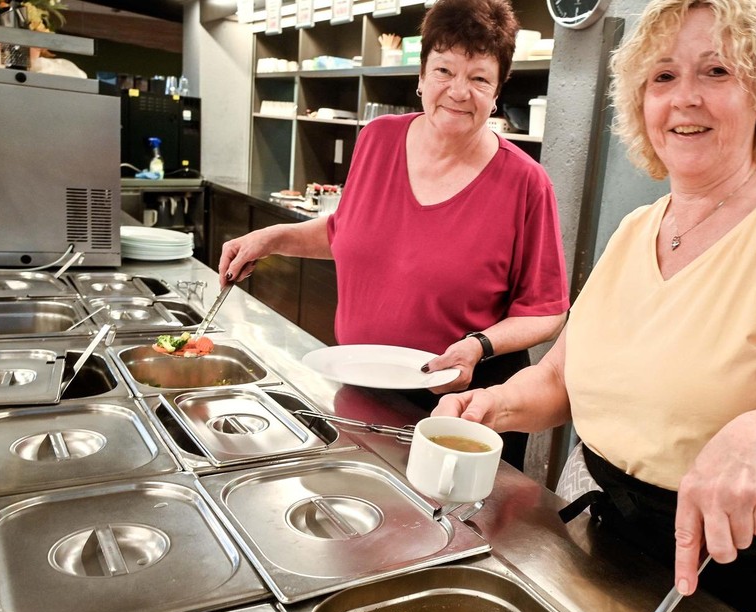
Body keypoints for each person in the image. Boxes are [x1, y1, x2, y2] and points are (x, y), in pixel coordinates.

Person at [433, 0, 756, 612]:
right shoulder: (638, 228)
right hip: (608, 548)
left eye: (716, 71)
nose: (685, 97)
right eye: (662, 76)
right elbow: (559, 378)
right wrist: (489, 406)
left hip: (735, 577)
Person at [218, 0, 570, 471]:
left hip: (461, 409)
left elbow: (546, 311)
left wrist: (478, 345)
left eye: (479, 78)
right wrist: (272, 238)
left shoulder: (525, 183)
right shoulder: (377, 139)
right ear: (421, 76)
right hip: (361, 387)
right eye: (444, 70)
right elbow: (351, 233)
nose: (459, 91)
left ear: (497, 90)